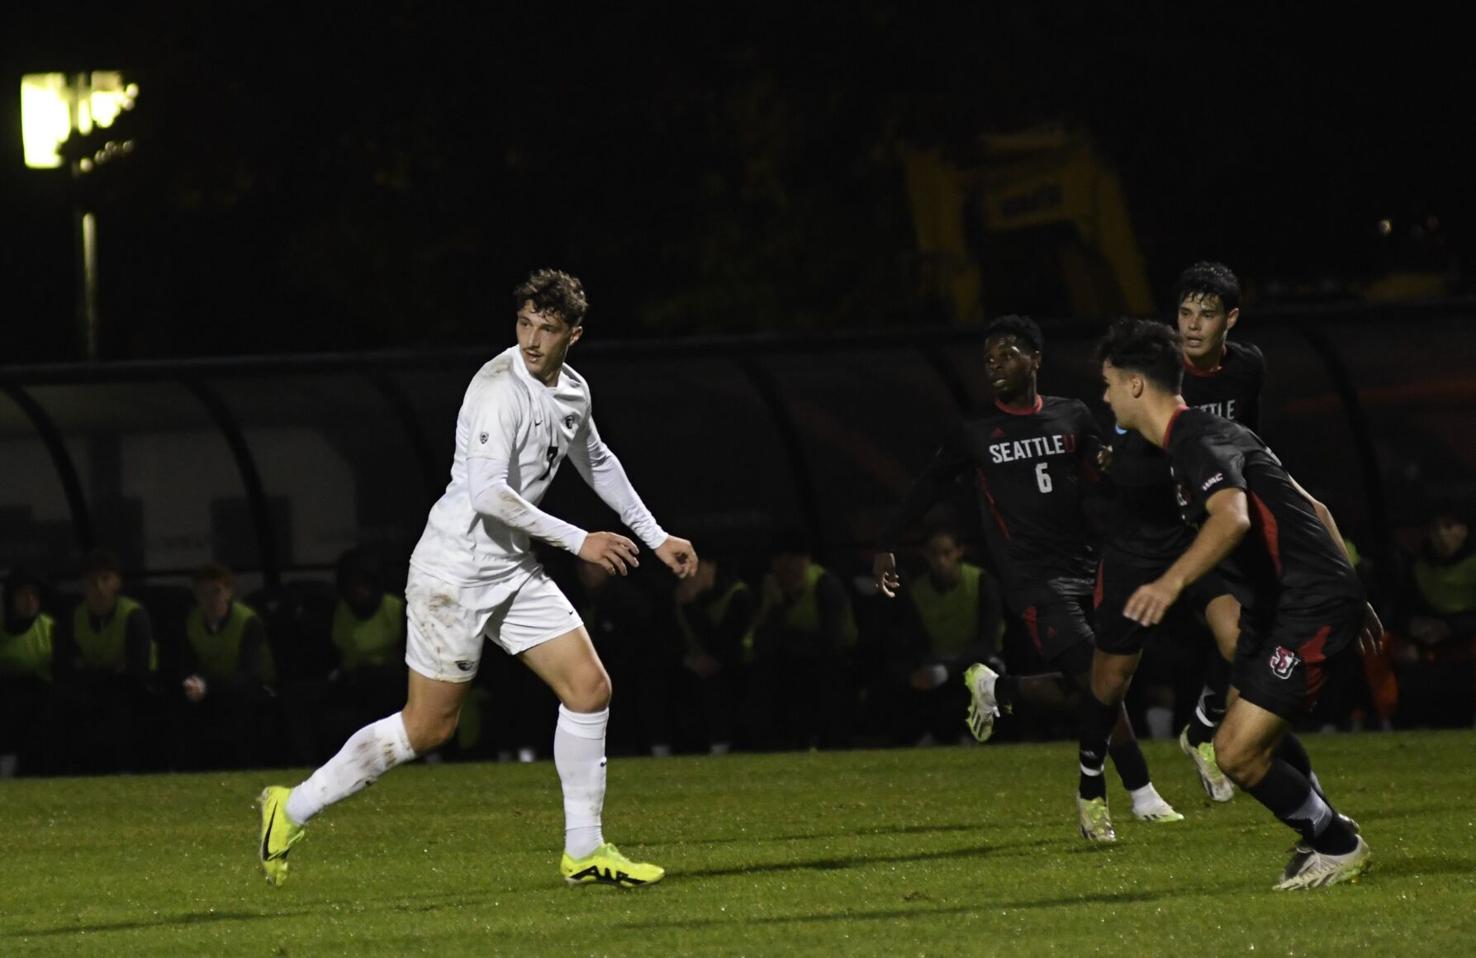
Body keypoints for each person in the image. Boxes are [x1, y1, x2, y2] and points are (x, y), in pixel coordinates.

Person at [257, 268, 697, 888]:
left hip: (512, 570)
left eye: (547, 328)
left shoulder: (573, 391)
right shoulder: (497, 390)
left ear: (576, 333)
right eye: (524, 323)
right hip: (453, 574)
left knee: (590, 690)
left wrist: (655, 536)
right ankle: (292, 806)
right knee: (429, 727)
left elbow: (596, 460)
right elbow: (490, 495)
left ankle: (584, 851)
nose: (532, 340)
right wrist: (582, 541)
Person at [875, 315, 1181, 843]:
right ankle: (1139, 790)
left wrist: (1131, 471)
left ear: (1035, 360)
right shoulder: (975, 432)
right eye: (989, 358)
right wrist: (885, 544)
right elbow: (927, 486)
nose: (995, 364)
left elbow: (1105, 473)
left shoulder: (1074, 415)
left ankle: (1000, 689)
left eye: (1007, 353)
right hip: (1032, 579)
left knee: (1101, 681)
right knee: (1096, 676)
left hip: (1088, 567)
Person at [1098, 317, 1378, 889]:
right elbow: (1315, 508)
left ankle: (1337, 842)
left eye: (1106, 384)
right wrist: (1353, 588)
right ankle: (1324, 832)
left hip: (1304, 606)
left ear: (1133, 385)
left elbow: (1233, 516)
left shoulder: (1196, 441)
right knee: (1240, 735)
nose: (1103, 398)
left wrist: (1169, 584)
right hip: (1282, 605)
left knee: (1234, 753)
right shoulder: (1204, 436)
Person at [1172, 261, 1267, 799]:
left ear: (1230, 319)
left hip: (1235, 519)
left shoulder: (1248, 367)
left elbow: (1251, 439)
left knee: (1250, 639)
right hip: (1182, 530)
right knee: (1235, 642)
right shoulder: (1160, 372)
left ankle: (1203, 728)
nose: (1192, 324)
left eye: (1206, 314)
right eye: (1185, 312)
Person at [892, 526, 1003, 746]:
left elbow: (988, 641)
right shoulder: (918, 590)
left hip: (978, 661)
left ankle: (970, 736)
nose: (940, 561)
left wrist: (949, 668)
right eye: (934, 554)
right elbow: (914, 638)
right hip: (937, 662)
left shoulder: (981, 582)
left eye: (946, 553)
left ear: (959, 551)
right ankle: (924, 737)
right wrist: (927, 666)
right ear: (925, 555)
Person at [52, 548, 160, 772]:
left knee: (120, 706)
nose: (99, 588)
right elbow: (66, 667)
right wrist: (110, 669)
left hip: (135, 689)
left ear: (117, 583)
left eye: (105, 580)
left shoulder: (134, 615)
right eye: (92, 582)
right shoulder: (75, 616)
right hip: (94, 687)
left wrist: (90, 669)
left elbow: (136, 669)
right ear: (83, 586)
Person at [748, 533, 858, 750]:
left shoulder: (825, 585)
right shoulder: (768, 589)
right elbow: (761, 643)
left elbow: (832, 641)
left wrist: (789, 637)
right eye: (782, 561)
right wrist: (777, 607)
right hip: (790, 661)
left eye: (796, 559)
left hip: (836, 660)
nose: (789, 567)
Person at [175, 562, 275, 769]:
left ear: (228, 592)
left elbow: (249, 672)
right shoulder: (192, 621)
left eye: (216, 592)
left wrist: (208, 686)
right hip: (207, 686)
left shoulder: (247, 621)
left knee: (239, 705)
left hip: (248, 685)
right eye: (204, 593)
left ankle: (246, 766)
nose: (211, 599)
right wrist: (192, 683)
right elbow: (186, 661)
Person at [672, 555, 755, 755]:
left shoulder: (737, 594)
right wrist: (686, 660)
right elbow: (666, 640)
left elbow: (723, 644)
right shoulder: (675, 597)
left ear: (711, 567)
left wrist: (690, 607)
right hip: (692, 667)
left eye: (695, 568)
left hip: (736, 666)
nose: (688, 576)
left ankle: (722, 747)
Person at [0, 567, 56, 776]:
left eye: (33, 594)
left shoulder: (50, 628)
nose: (29, 600)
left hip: (41, 700)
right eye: (23, 594)